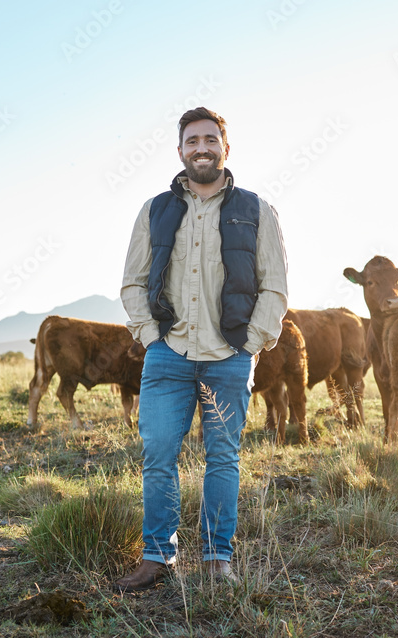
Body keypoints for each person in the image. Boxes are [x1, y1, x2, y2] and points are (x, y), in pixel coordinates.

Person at [115, 107, 289, 592]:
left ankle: (217, 560)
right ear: (180, 151)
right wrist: (151, 338)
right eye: (192, 141)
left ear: (225, 148)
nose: (202, 148)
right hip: (167, 357)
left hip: (228, 358)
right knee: (158, 456)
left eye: (211, 139)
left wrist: (251, 346)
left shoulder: (256, 210)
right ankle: (157, 558)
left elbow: (274, 287)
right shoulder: (155, 210)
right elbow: (131, 283)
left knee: (223, 459)